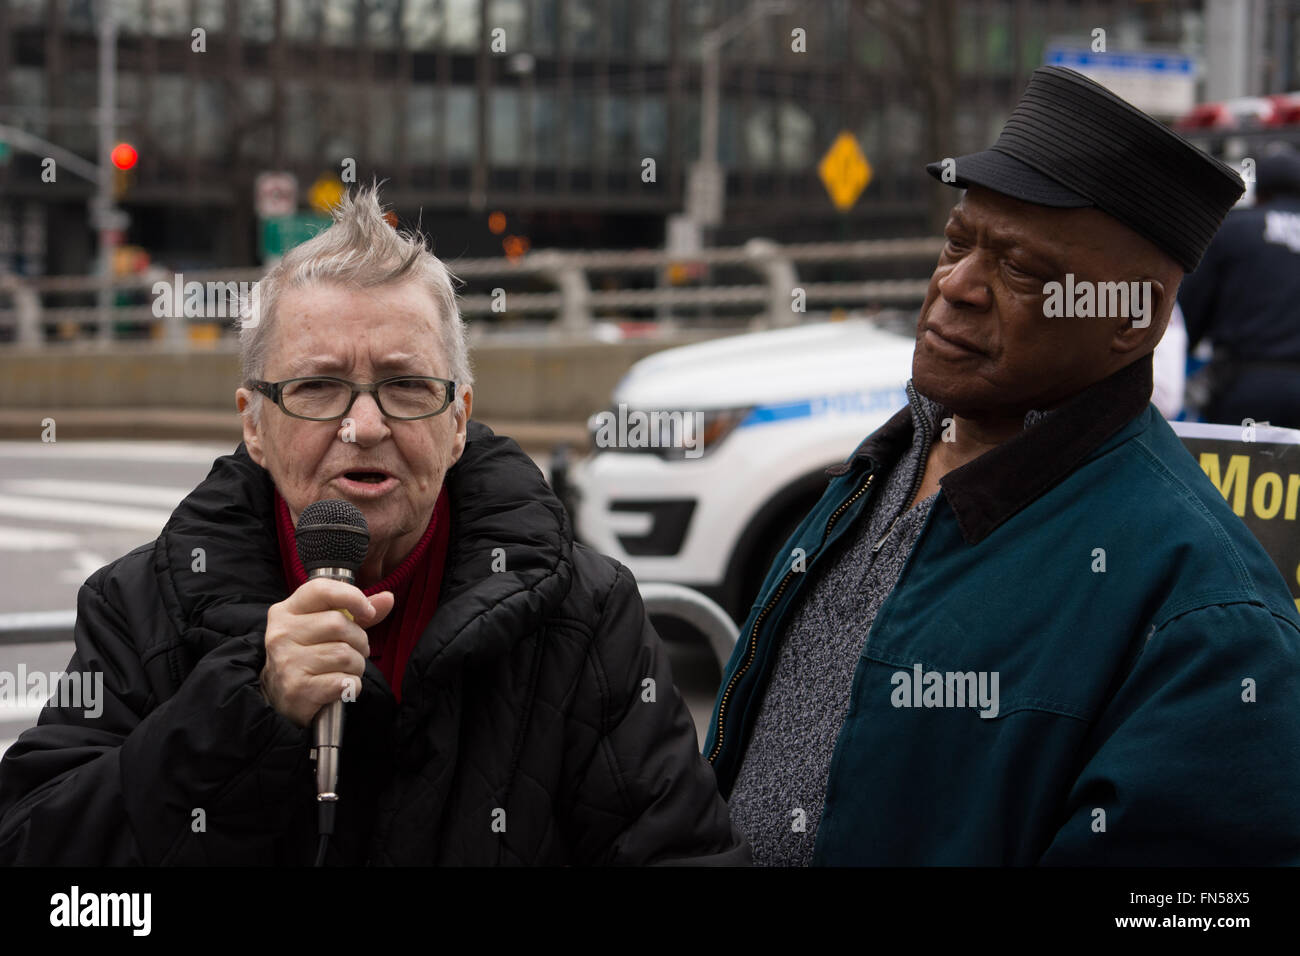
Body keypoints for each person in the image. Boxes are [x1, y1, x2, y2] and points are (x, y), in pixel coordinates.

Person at [0, 187, 748, 866]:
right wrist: (241, 712)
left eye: (405, 385)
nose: (364, 425)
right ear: (254, 424)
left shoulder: (584, 615)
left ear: (458, 421)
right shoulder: (140, 606)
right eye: (319, 387)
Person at [706, 66, 1300, 865]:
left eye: (1019, 270)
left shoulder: (1208, 618)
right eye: (958, 242)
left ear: (1135, 318)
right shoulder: (885, 465)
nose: (955, 285)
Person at [1178, 146, 1300, 428]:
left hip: (1246, 386)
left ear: (1260, 193)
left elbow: (1190, 312)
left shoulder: (1233, 229)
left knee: (1240, 470)